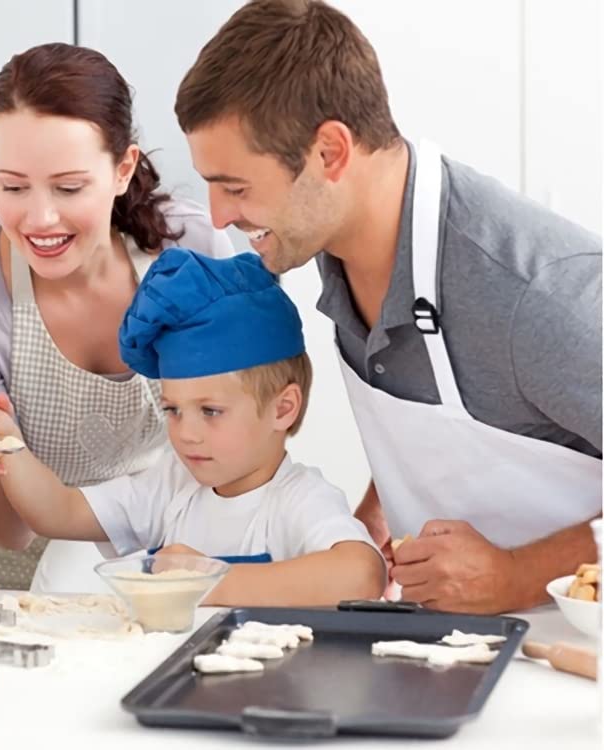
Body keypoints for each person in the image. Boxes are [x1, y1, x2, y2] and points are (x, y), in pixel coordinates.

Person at [173, 0, 602, 613]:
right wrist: (380, 508)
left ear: (329, 153)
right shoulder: (329, 243)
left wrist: (516, 574)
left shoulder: (535, 290)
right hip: (459, 645)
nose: (217, 216)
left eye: (235, 187)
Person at [0, 43, 235, 593]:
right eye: (12, 186)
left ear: (122, 169)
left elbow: (245, 441)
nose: (39, 218)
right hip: (33, 581)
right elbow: (9, 531)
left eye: (69, 188)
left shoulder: (198, 251)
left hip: (187, 554)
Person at [0, 249, 384, 606]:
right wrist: (5, 442)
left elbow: (361, 574)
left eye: (210, 411)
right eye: (173, 410)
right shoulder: (172, 487)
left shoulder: (299, 500)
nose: (186, 433)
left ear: (282, 409)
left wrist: (211, 582)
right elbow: (59, 511)